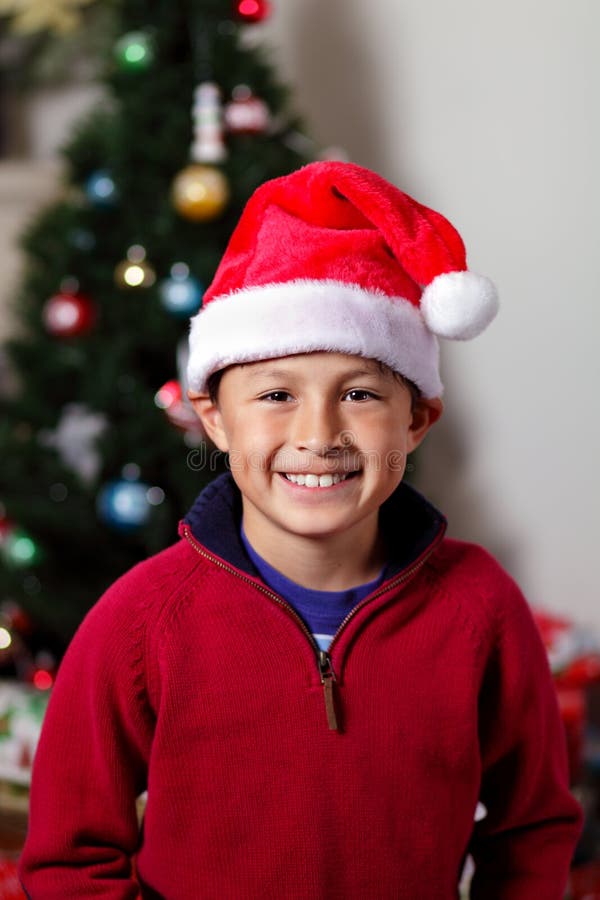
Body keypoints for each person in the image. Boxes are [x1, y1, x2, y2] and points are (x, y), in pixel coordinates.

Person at [19, 161, 582, 898]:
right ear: (214, 418)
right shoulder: (139, 620)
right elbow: (69, 860)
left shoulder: (481, 608)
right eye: (277, 394)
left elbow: (531, 832)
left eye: (358, 394)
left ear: (416, 419)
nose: (319, 434)